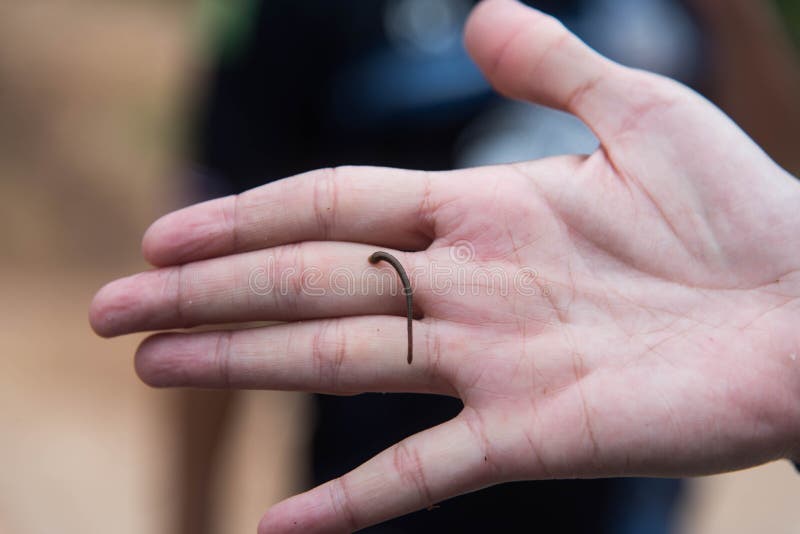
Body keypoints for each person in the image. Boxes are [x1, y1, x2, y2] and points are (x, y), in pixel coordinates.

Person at [90, 0, 800, 532]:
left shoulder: (689, 14)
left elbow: (768, 201)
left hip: (621, 498)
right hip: (382, 491)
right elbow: (229, 275)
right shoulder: (301, 18)